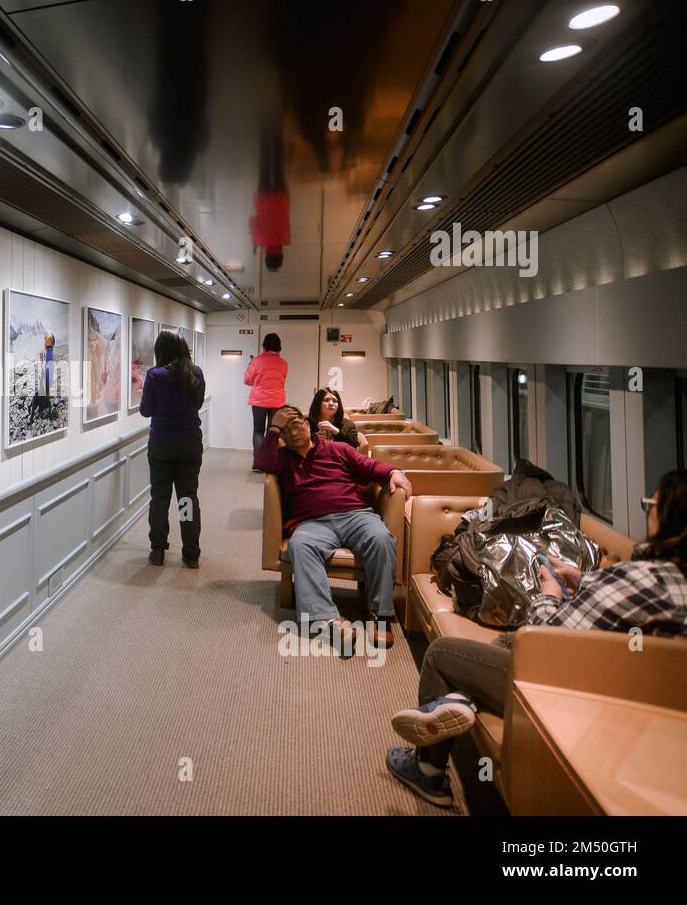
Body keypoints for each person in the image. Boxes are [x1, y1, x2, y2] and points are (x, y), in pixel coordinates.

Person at [385, 469, 687, 809]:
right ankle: (461, 700)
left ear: (671, 519)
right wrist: (584, 581)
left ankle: (429, 768)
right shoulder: (672, 585)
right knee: (507, 643)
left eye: (654, 506)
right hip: (630, 699)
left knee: (443, 654)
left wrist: (549, 591)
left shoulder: (639, 579)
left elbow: (543, 638)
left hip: (564, 689)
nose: (651, 514)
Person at [256, 405, 412, 646]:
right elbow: (261, 461)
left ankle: (380, 615)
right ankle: (328, 620)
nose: (294, 433)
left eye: (297, 426)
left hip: (355, 515)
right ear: (283, 439)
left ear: (308, 426)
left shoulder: (337, 449)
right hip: (312, 523)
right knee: (300, 545)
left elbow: (369, 466)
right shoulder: (283, 459)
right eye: (286, 431)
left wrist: (393, 472)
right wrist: (274, 427)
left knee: (381, 538)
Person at [140, 331, 206, 569]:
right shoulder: (195, 373)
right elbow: (197, 404)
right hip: (189, 443)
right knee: (187, 498)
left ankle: (157, 550)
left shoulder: (155, 375)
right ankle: (191, 553)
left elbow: (146, 410)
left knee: (159, 498)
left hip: (161, 445)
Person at [244, 333, 287, 470]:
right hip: (277, 400)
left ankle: (258, 463)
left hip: (259, 401)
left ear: (264, 345)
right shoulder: (283, 363)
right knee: (272, 431)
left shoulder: (256, 361)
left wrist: (250, 365)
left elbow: (248, 380)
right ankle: (269, 462)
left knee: (258, 431)